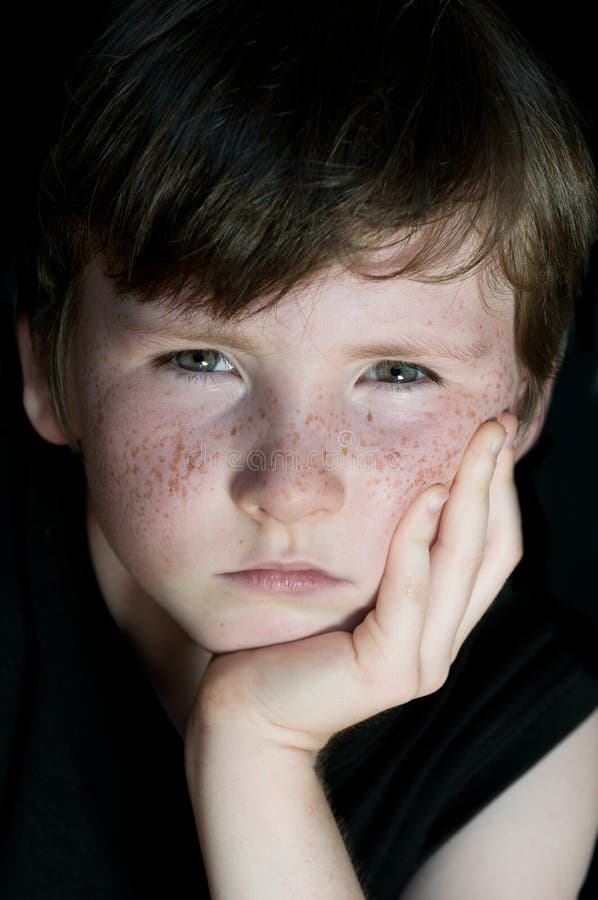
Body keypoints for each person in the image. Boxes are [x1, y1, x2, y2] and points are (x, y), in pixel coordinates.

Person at [4, 0, 598, 896]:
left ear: (521, 410)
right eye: (199, 360)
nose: (290, 489)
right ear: (53, 379)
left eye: (398, 374)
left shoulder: (535, 742)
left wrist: (259, 746)